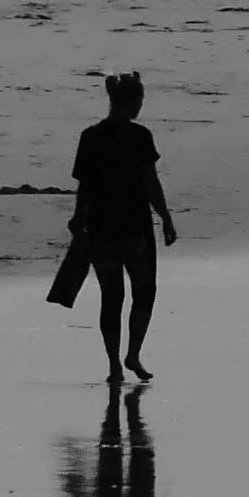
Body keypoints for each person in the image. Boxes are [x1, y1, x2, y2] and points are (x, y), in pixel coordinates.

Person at [68, 74, 174, 382]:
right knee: (144, 293)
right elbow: (150, 181)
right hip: (135, 229)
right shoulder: (140, 137)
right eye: (140, 102)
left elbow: (84, 185)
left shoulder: (90, 137)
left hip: (101, 228)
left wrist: (78, 218)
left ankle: (115, 364)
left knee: (111, 297)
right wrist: (165, 216)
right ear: (130, 102)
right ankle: (133, 355)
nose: (141, 107)